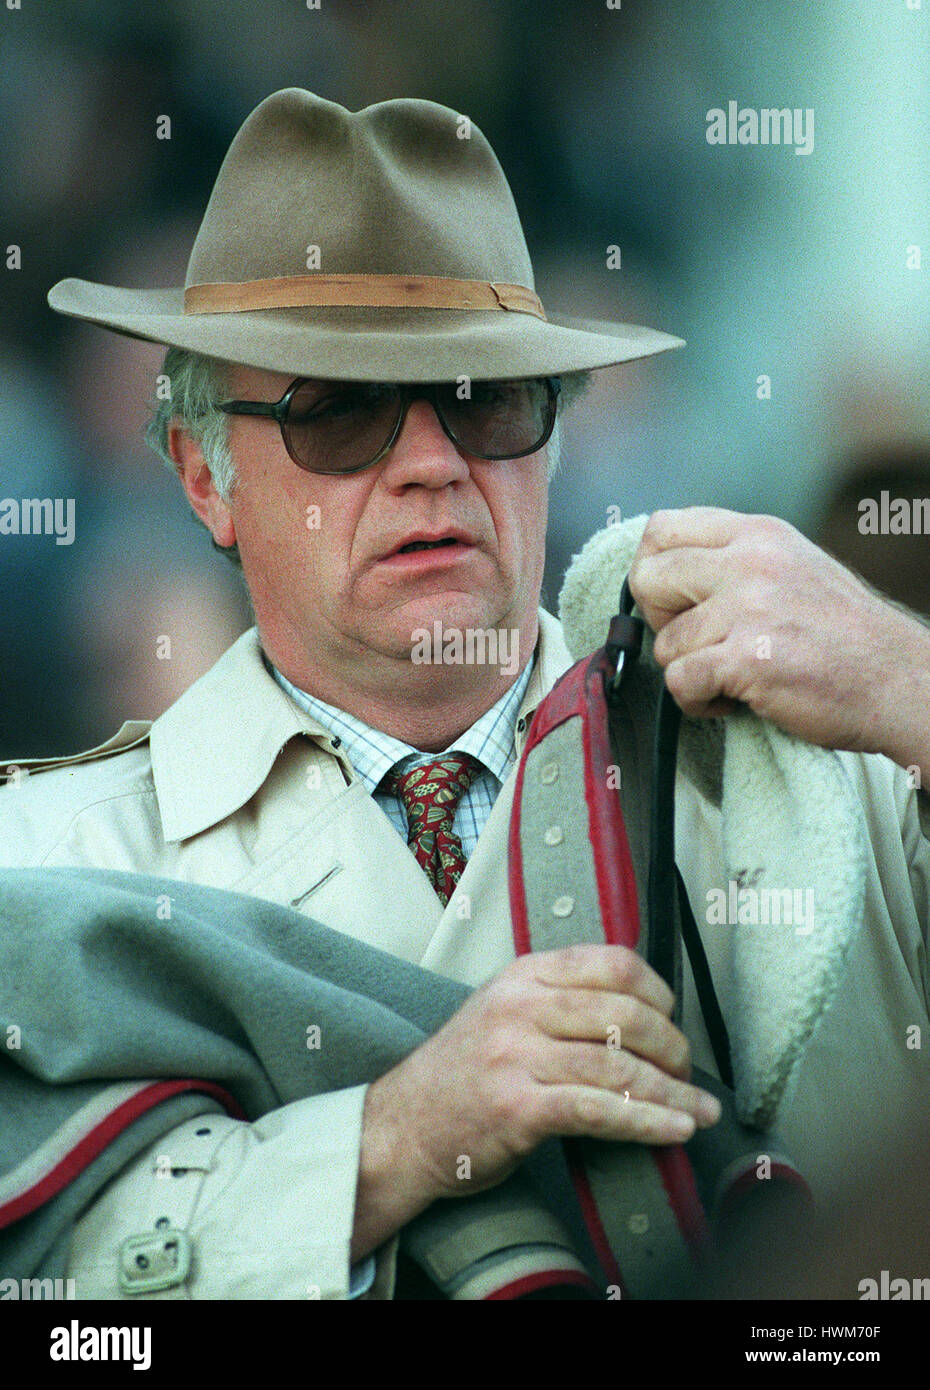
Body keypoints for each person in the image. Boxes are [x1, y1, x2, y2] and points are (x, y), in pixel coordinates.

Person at [2, 88, 928, 1301]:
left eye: (487, 398)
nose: (433, 462)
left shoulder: (831, 775)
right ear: (204, 478)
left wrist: (904, 672)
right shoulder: (48, 867)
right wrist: (387, 1141)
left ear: (553, 436)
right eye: (340, 413)